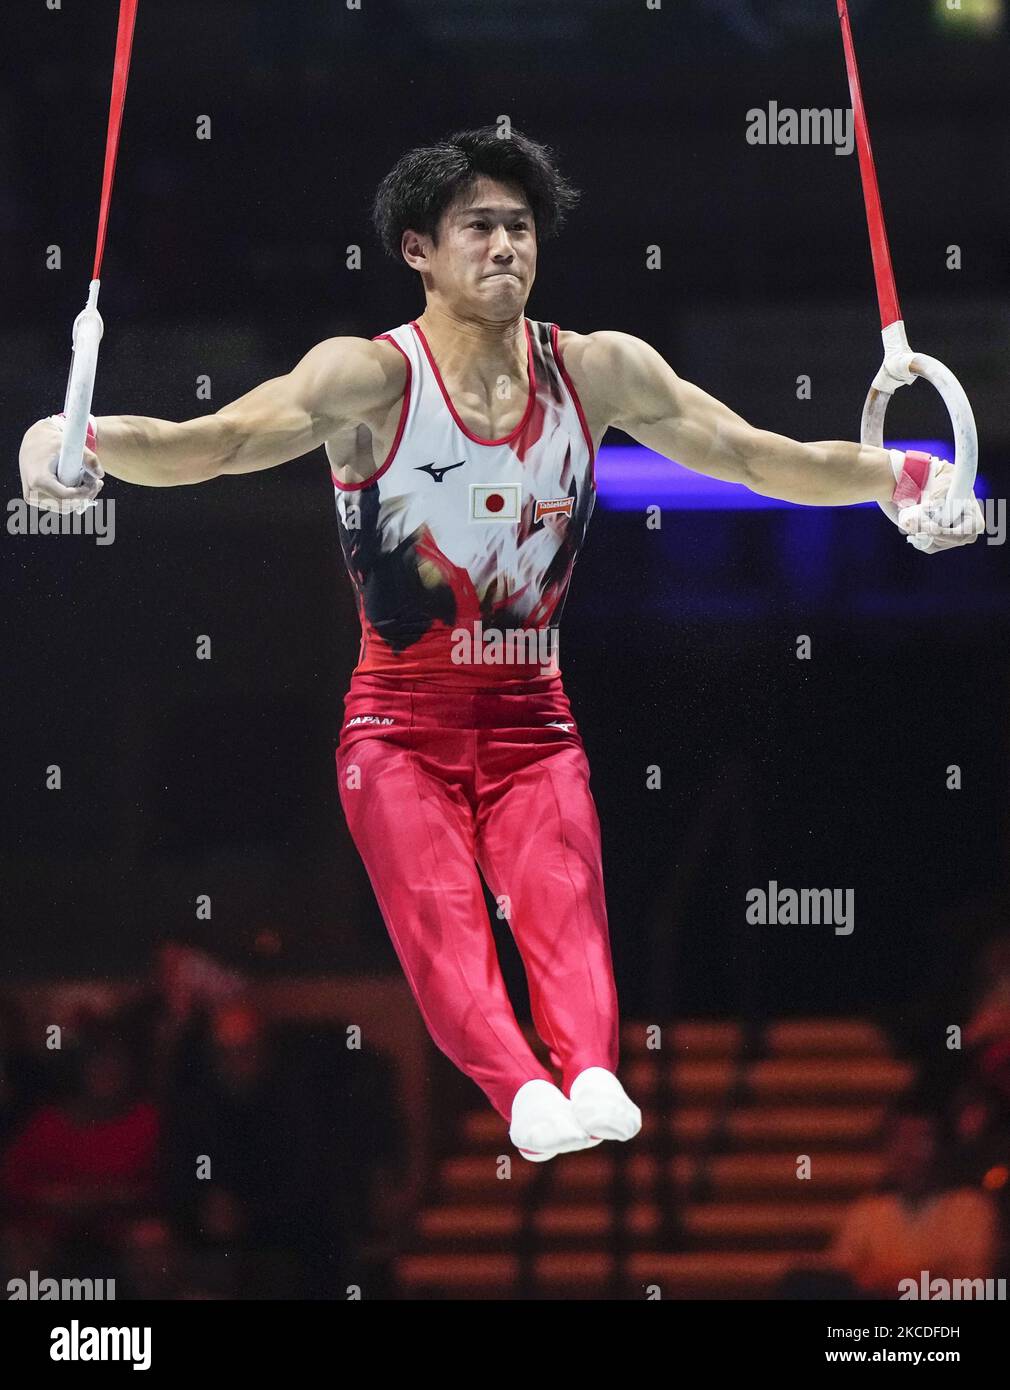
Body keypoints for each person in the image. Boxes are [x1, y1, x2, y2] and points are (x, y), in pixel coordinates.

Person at [19, 127, 984, 1162]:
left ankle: (591, 1065)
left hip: (533, 718)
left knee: (563, 894)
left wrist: (898, 475)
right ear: (415, 249)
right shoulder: (367, 379)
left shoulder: (597, 371)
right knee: (443, 918)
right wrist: (69, 443)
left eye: (518, 228)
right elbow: (211, 444)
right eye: (476, 226)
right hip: (395, 727)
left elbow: (754, 455)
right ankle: (517, 1083)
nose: (503, 247)